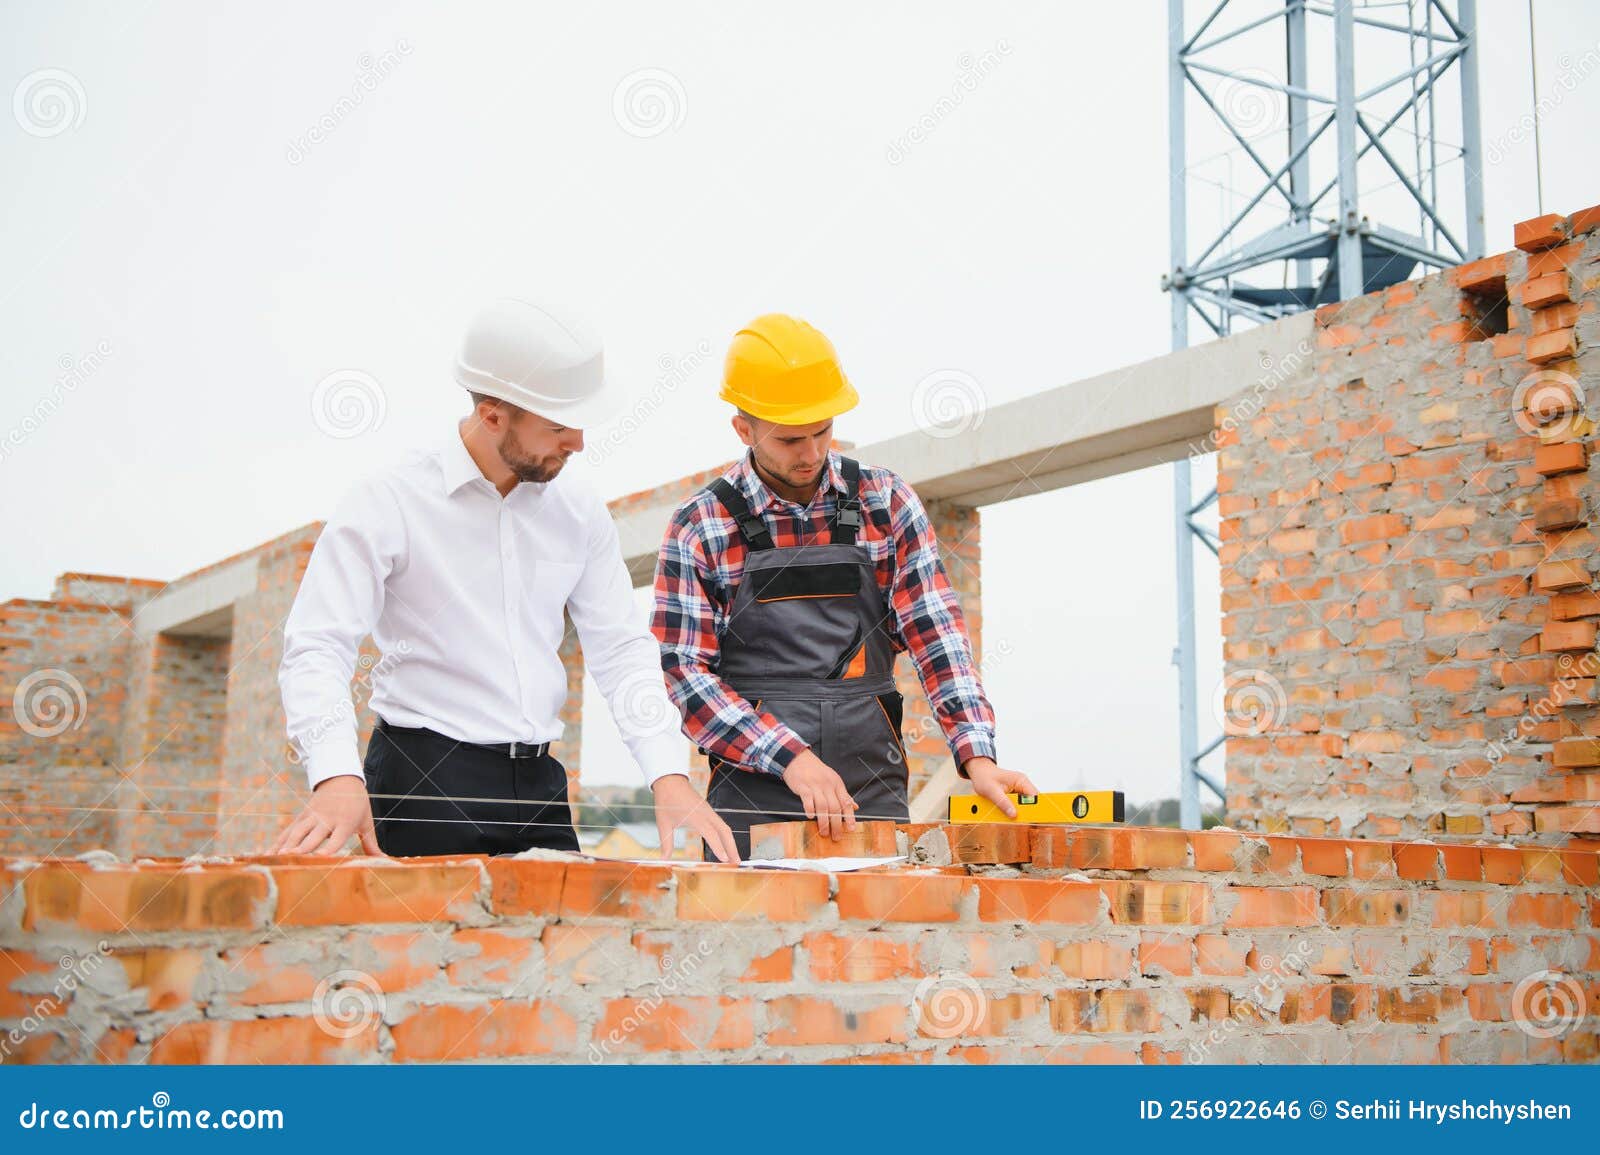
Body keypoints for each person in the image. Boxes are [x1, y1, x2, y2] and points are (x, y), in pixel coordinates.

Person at [272, 298, 738, 861]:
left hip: (540, 787)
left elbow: (619, 648)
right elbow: (318, 645)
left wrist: (668, 774)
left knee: (562, 945)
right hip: (423, 780)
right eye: (559, 426)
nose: (579, 443)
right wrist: (335, 775)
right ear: (493, 414)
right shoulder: (388, 500)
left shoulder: (579, 510)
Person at [651, 312, 1037, 858]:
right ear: (744, 430)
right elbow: (687, 676)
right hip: (754, 791)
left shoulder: (885, 501)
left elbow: (938, 638)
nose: (810, 454)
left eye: (822, 431)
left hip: (870, 788)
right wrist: (791, 757)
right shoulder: (702, 525)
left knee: (877, 936)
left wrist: (978, 757)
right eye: (789, 439)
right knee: (751, 937)